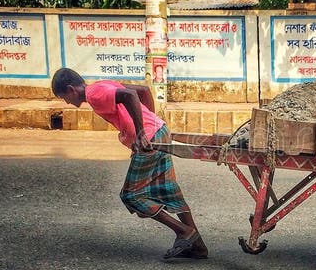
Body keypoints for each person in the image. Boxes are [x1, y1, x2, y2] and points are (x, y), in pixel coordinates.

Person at [51, 67, 207, 260]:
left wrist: (142, 131)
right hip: (159, 132)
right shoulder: (100, 85)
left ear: (70, 89)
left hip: (149, 139)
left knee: (131, 196)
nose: (67, 102)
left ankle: (184, 232)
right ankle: (198, 246)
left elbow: (131, 95)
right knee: (168, 189)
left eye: (64, 97)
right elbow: (142, 91)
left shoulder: (95, 95)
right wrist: (151, 120)